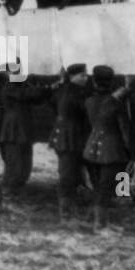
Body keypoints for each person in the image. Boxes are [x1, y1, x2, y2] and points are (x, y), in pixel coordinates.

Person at [83, 66, 135, 231]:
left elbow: (103, 105)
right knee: (108, 187)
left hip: (92, 149)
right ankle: (100, 226)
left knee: (99, 186)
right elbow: (126, 132)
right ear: (111, 82)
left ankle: (91, 219)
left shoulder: (89, 101)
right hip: (112, 151)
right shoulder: (116, 104)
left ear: (94, 81)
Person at [48, 63, 91, 221]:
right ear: (73, 76)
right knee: (67, 174)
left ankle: (69, 207)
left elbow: (52, 102)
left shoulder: (65, 90)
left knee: (70, 172)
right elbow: (85, 109)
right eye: (83, 75)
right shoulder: (73, 93)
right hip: (70, 137)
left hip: (66, 135)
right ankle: (65, 212)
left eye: (86, 75)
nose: (86, 78)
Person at [0, 76, 50, 200]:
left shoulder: (20, 85)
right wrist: (48, 87)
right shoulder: (10, 87)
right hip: (14, 128)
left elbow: (36, 98)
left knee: (25, 162)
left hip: (23, 128)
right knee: (15, 162)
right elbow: (27, 95)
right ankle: (9, 193)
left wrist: (47, 89)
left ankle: (17, 190)